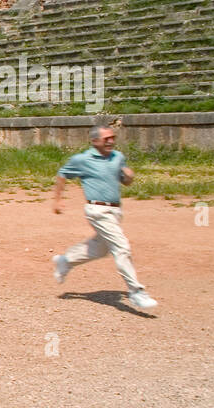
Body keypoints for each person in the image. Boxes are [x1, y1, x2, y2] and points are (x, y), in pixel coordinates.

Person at [52, 126, 157, 310]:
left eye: (113, 137)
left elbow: (124, 180)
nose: (111, 141)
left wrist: (129, 177)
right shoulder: (82, 160)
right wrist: (57, 201)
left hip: (115, 211)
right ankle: (136, 292)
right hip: (97, 210)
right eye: (106, 138)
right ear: (94, 141)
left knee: (99, 249)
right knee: (121, 247)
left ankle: (65, 260)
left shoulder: (118, 157)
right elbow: (62, 173)